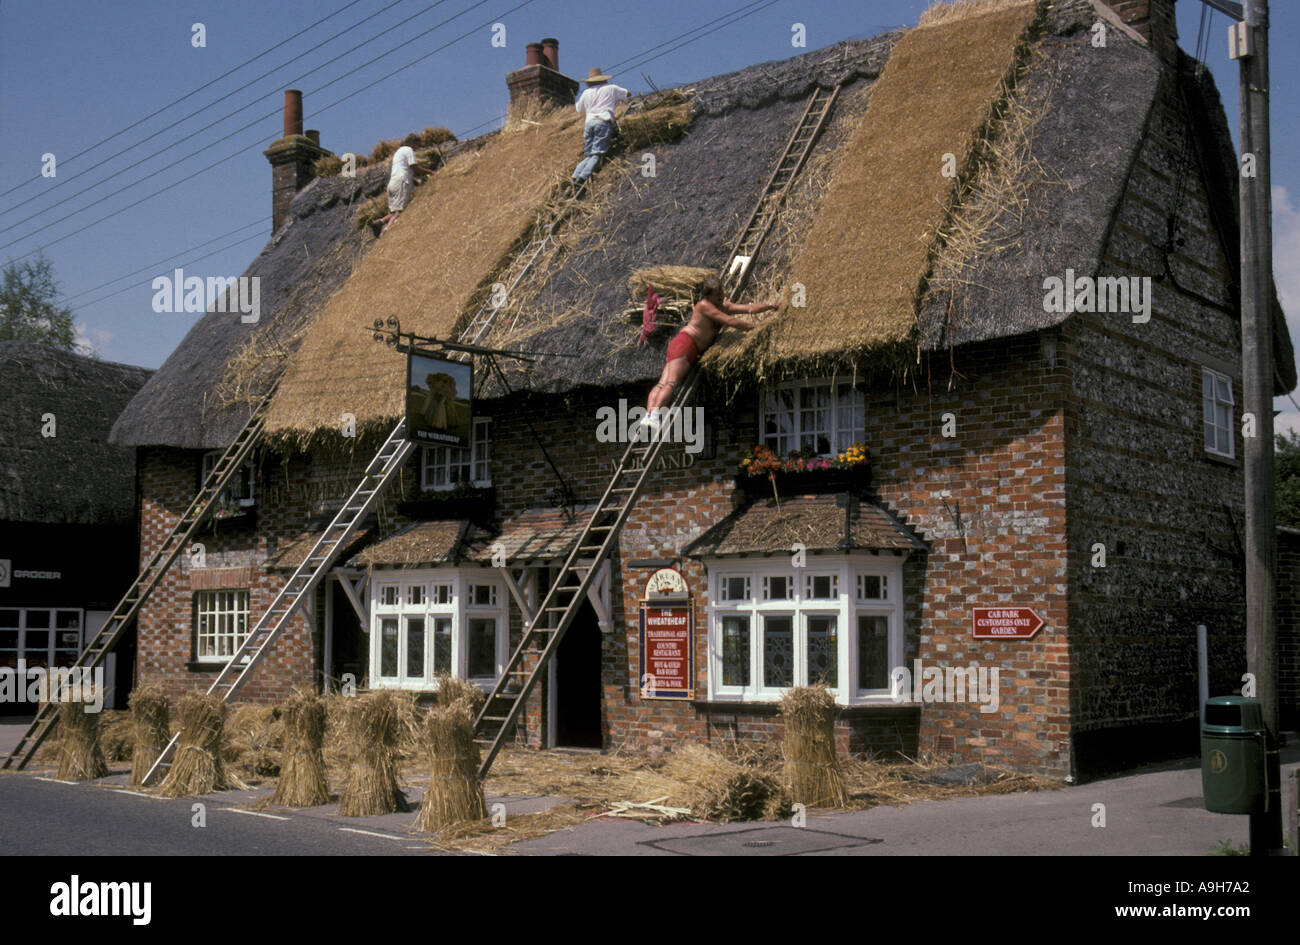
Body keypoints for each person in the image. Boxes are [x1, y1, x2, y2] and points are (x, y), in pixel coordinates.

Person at [642, 274, 780, 434]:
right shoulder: (704, 305)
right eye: (718, 294)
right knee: (671, 383)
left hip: (683, 344)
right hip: (687, 344)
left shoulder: (721, 305)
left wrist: (770, 306)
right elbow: (730, 321)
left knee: (662, 383)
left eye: (722, 292)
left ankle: (649, 415)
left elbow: (748, 308)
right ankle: (654, 415)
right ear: (708, 295)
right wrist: (754, 327)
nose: (722, 296)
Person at [571, 67, 630, 185]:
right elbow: (627, 93)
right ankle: (583, 176)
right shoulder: (611, 88)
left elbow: (578, 109)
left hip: (589, 123)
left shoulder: (586, 93)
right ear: (602, 79)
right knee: (597, 153)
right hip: (603, 121)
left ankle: (575, 174)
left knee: (588, 154)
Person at [378, 140, 434, 234]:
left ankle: (381, 221)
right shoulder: (408, 149)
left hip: (392, 184)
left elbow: (405, 171)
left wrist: (417, 182)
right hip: (401, 182)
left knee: (393, 211)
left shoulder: (397, 153)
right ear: (413, 143)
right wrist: (430, 172)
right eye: (417, 145)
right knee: (399, 212)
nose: (418, 149)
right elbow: (414, 166)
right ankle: (387, 230)